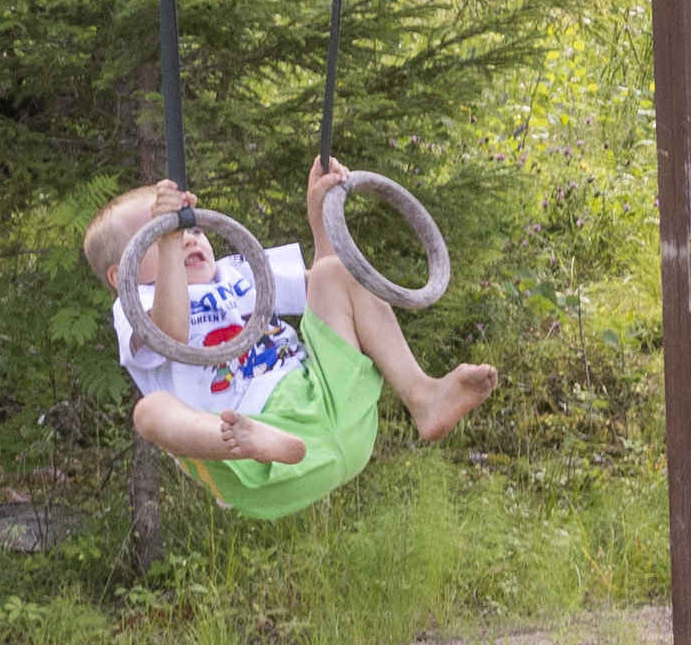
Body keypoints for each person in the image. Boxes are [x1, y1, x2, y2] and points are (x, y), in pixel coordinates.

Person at [82, 161, 497, 521]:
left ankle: (423, 398)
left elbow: (327, 289)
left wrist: (321, 219)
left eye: (187, 227)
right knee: (150, 412)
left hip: (328, 411)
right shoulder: (137, 305)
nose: (186, 237)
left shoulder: (240, 271)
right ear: (121, 276)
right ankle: (246, 442)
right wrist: (170, 245)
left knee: (337, 272)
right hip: (254, 463)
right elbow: (168, 332)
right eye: (160, 234)